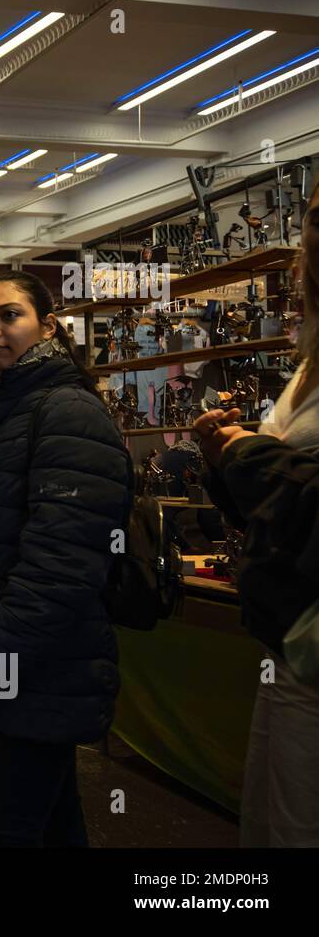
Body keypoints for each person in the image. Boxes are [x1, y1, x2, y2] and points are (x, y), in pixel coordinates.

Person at [0, 270, 129, 847]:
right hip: (35, 664)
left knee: (7, 830)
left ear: (48, 325)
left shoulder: (64, 411)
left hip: (40, 664)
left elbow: (63, 560)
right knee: (50, 824)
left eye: (9, 316)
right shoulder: (11, 406)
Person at [196, 180, 319, 846]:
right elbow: (274, 502)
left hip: (308, 636)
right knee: (272, 827)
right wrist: (224, 460)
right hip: (289, 639)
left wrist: (247, 457)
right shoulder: (308, 371)